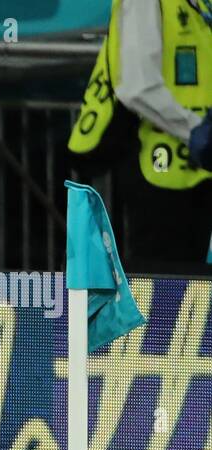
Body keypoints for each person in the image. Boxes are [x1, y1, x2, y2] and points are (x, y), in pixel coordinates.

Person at [67, 0, 212, 271]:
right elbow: (136, 86)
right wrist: (193, 129)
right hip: (156, 168)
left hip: (196, 170)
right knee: (161, 283)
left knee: (193, 283)